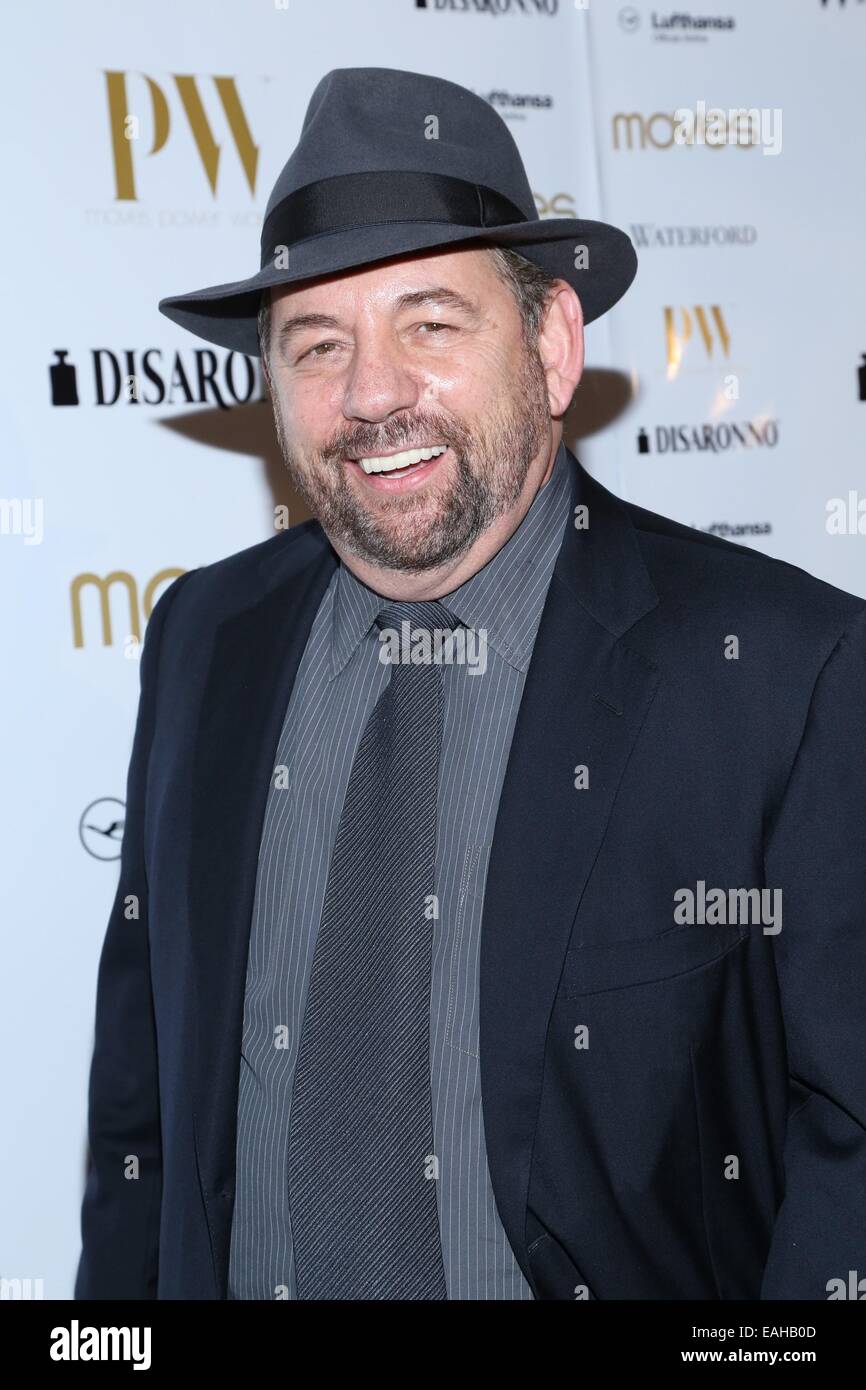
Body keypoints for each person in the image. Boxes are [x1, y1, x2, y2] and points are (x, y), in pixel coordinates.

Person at [75, 66, 866, 1301]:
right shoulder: (202, 639)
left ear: (551, 345)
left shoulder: (779, 673)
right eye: (316, 343)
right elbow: (142, 1100)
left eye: (430, 323)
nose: (372, 392)